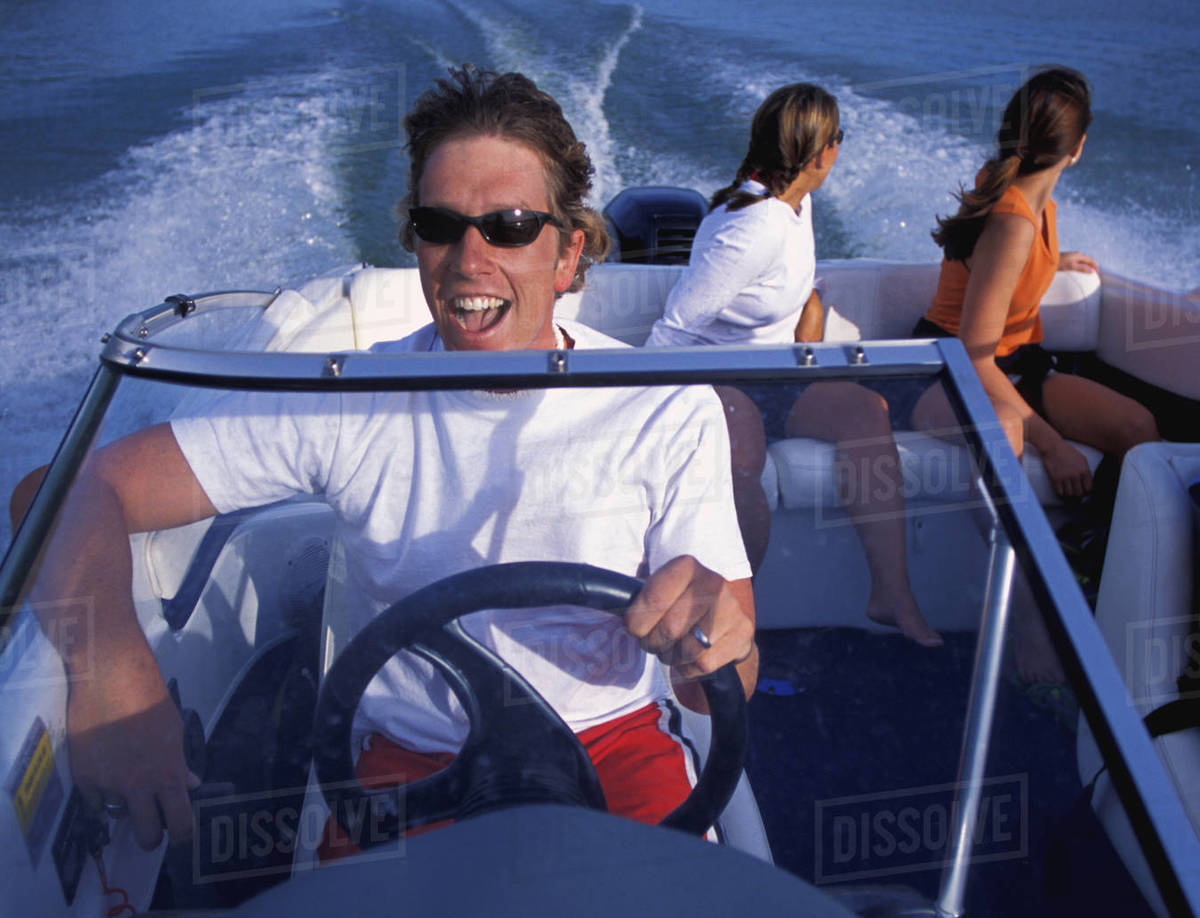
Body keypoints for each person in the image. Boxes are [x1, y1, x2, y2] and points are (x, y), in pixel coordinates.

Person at [15, 65, 757, 853]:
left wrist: (709, 644)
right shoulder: (353, 399)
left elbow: (724, 689)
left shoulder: (663, 406)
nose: (469, 260)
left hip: (612, 748)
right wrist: (108, 667)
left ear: (569, 255)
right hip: (405, 765)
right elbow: (61, 491)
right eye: (440, 225)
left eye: (508, 225)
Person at [647, 82, 942, 648]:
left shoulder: (796, 204)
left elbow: (798, 283)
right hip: (719, 377)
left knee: (865, 410)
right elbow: (676, 328)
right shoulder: (748, 228)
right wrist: (632, 403)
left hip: (780, 373)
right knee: (744, 454)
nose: (840, 150)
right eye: (839, 140)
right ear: (819, 153)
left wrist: (811, 316)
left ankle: (892, 593)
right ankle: (731, 625)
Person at [910, 66, 1159, 681]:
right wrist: (1054, 444)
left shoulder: (1032, 208)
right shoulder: (1013, 221)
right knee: (1010, 450)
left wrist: (1055, 262)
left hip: (1019, 364)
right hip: (949, 367)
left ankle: (1096, 569)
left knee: (1139, 427)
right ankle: (1031, 637)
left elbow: (1010, 271)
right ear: (1077, 149)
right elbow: (973, 356)